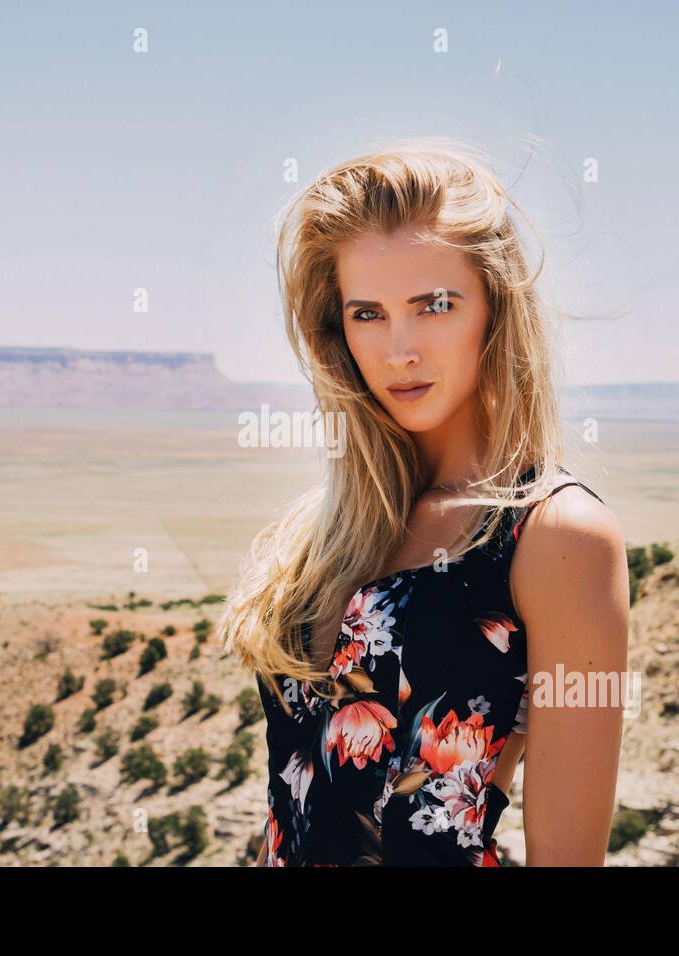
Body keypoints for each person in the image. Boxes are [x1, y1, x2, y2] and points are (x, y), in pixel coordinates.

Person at [218, 137, 629, 866]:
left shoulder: (556, 536)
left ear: (494, 309)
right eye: (367, 313)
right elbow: (294, 801)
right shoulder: (327, 529)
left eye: (433, 305)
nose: (398, 349)